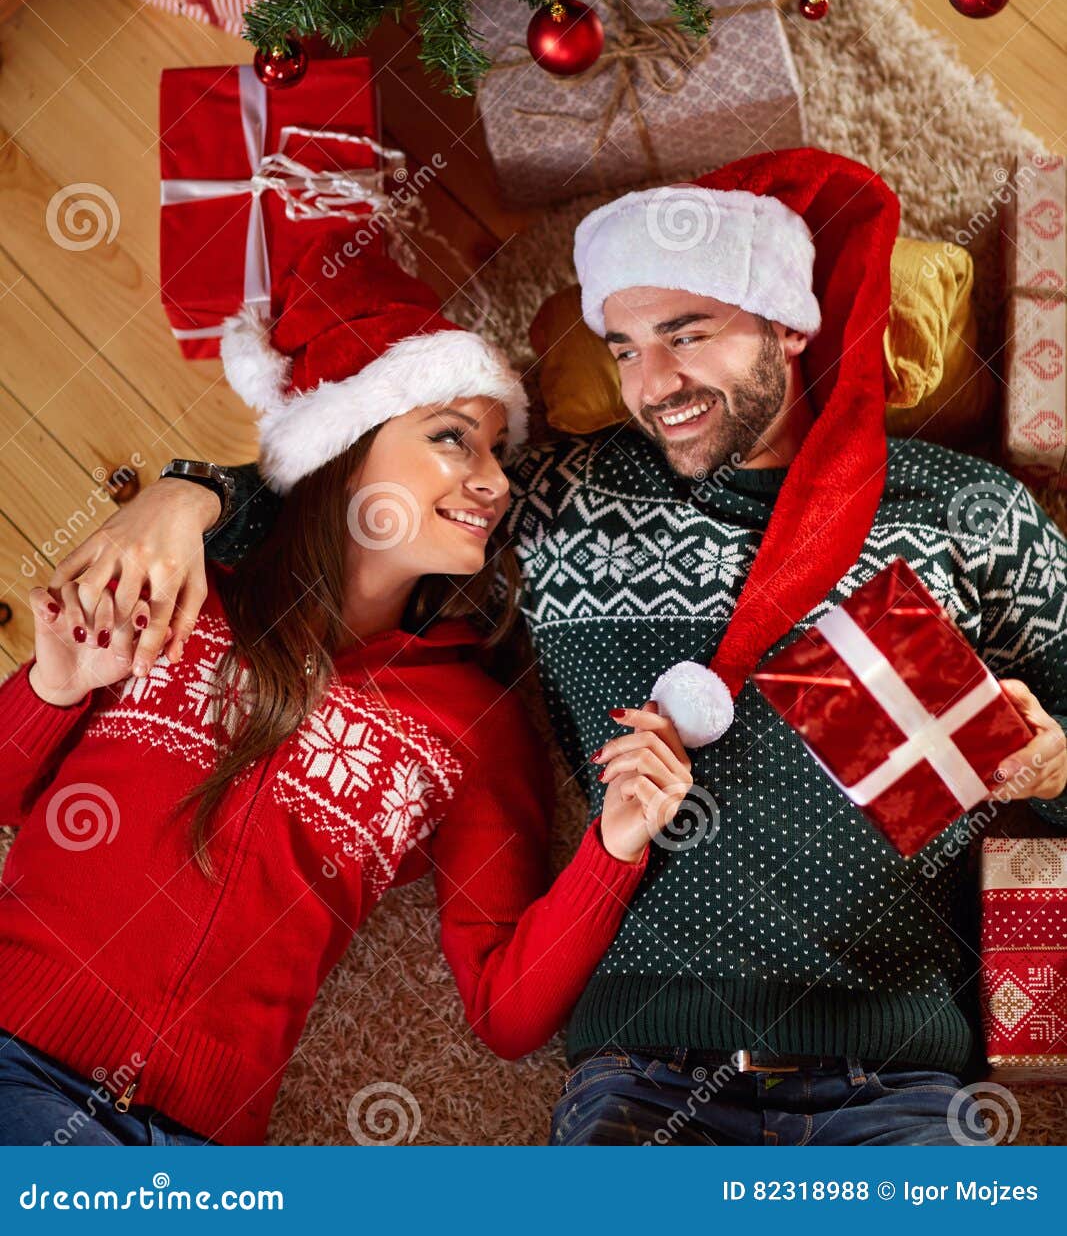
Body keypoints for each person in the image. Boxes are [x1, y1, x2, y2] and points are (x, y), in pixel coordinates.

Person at [49, 148, 1067, 1147]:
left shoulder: (966, 508)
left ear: (786, 326)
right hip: (643, 1075)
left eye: (686, 334)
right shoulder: (558, 496)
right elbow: (358, 487)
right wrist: (189, 496)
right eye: (623, 348)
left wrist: (1049, 762)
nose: (653, 382)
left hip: (892, 1074)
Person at [0, 239, 694, 1147]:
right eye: (451, 438)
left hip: (202, 1144)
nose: (490, 480)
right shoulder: (194, 588)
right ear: (345, 449)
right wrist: (53, 686)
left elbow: (506, 1012)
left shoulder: (473, 727)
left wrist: (615, 846)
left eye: (495, 452)